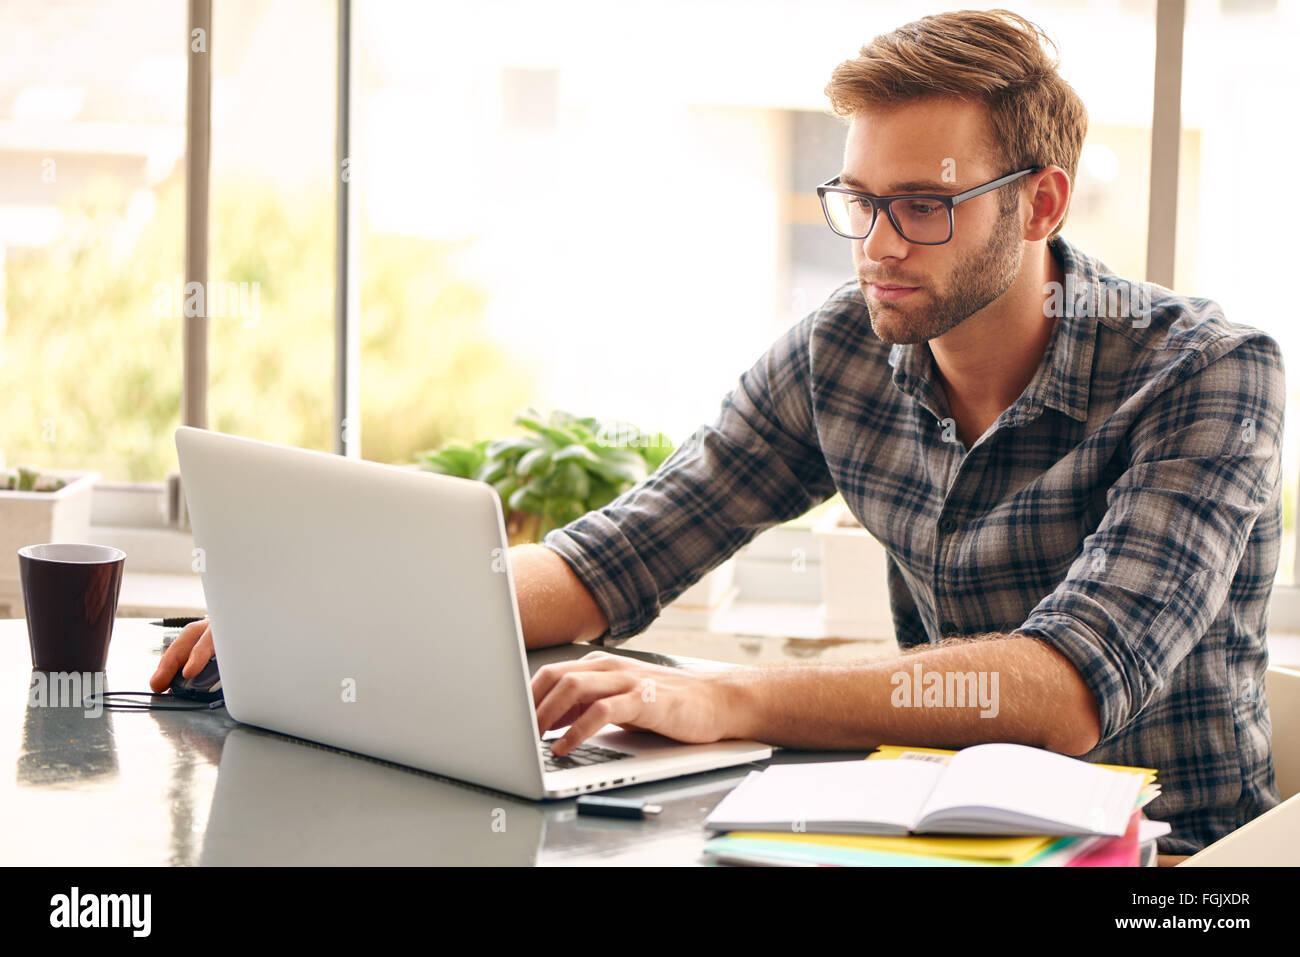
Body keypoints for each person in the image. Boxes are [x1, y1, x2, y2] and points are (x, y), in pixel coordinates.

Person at [152, 9, 1283, 857]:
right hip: (939, 837)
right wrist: (325, 620)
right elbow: (619, 555)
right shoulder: (842, 350)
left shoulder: (1205, 374)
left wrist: (723, 695)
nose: (877, 244)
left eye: (923, 206)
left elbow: (1064, 691)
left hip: (1178, 861)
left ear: (1038, 205)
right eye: (857, 199)